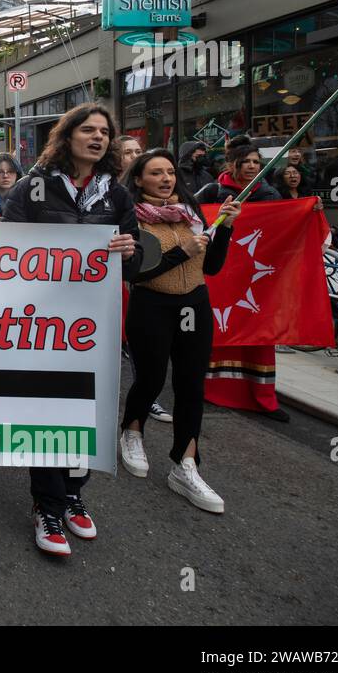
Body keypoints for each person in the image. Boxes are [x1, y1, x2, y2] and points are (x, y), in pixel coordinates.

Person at [3, 104, 140, 556]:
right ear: (68, 136)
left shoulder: (117, 195)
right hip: (42, 322)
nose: (98, 137)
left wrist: (127, 249)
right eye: (88, 129)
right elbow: (5, 252)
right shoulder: (33, 187)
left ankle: (74, 492)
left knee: (86, 408)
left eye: (105, 132)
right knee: (46, 410)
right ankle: (47, 504)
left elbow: (136, 263)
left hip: (94, 324)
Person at [119, 149, 241, 513]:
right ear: (139, 179)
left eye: (170, 172)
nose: (166, 179)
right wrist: (180, 253)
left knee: (191, 384)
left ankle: (185, 464)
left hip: (195, 305)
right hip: (151, 306)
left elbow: (214, 266)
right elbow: (135, 274)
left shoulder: (192, 214)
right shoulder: (131, 219)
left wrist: (226, 229)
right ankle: (132, 430)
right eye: (156, 173)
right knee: (152, 378)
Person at [193, 136, 288, 422]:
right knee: (218, 332)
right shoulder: (212, 191)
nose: (251, 166)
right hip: (220, 276)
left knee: (258, 335)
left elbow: (284, 233)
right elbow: (191, 220)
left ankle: (261, 396)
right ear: (233, 164)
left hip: (256, 283)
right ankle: (212, 389)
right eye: (245, 162)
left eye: (256, 162)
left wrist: (310, 213)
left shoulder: (270, 195)